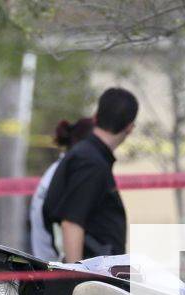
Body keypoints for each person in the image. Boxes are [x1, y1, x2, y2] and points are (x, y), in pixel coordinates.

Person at [43, 87, 138, 262]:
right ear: (130, 127)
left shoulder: (88, 156)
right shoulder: (91, 162)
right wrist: (76, 279)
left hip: (95, 274)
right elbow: (71, 223)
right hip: (90, 278)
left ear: (96, 117)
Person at [29, 117, 94, 260]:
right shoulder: (69, 174)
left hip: (47, 261)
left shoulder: (57, 169)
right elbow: (66, 228)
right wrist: (75, 271)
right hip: (57, 266)